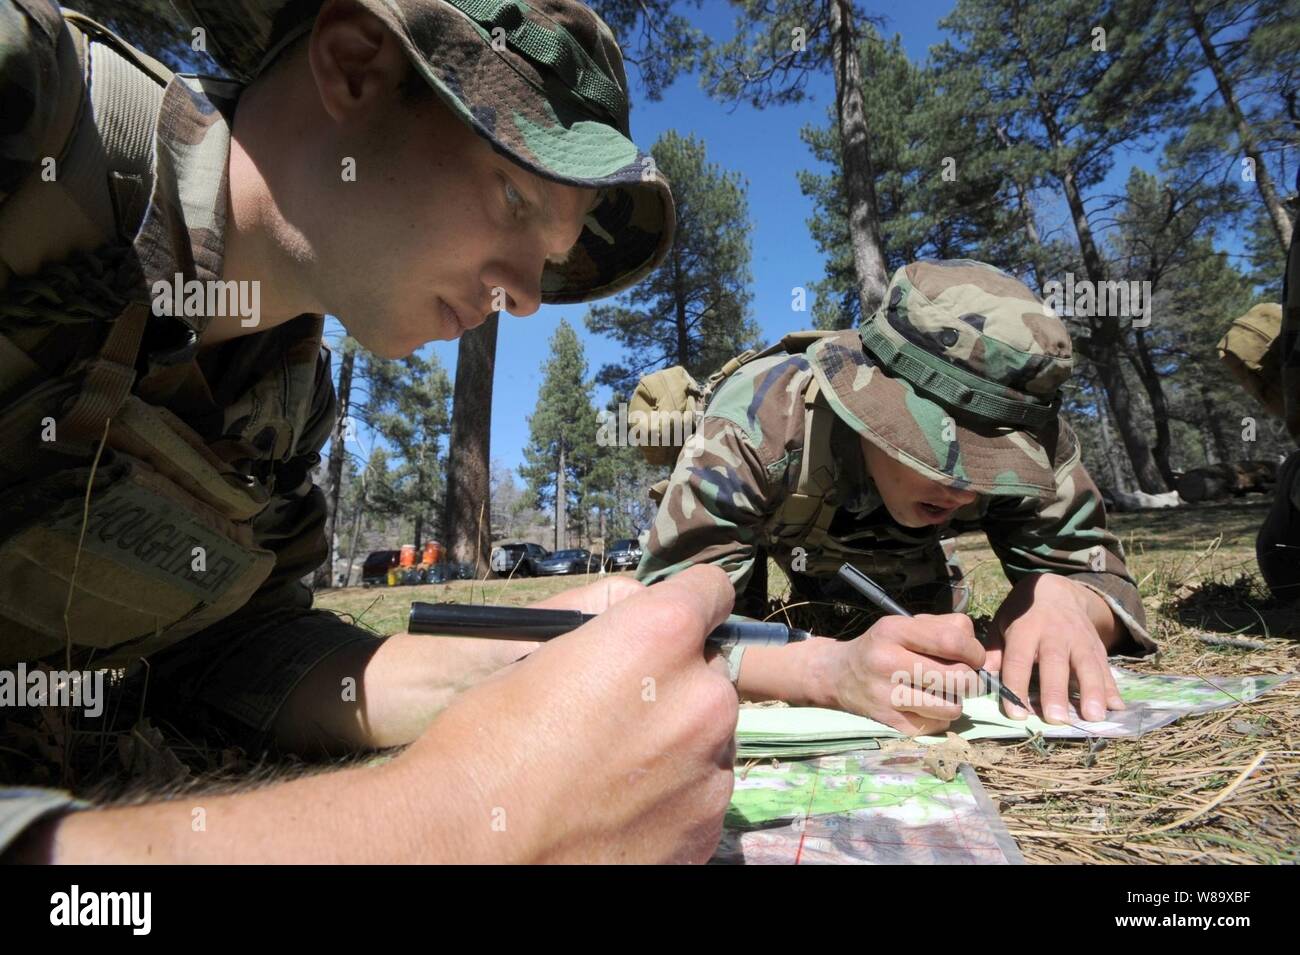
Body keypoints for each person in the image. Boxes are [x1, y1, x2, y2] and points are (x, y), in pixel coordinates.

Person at [0, 0, 737, 863]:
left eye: (547, 256)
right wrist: (458, 819)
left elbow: (238, 653)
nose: (528, 297)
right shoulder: (33, 111)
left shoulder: (286, 401)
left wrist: (529, 666)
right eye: (513, 195)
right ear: (354, 66)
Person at [638, 259, 1156, 736]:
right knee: (740, 620)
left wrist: (1066, 600)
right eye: (939, 451)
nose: (966, 487)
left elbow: (1104, 580)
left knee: (916, 626)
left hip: (897, 557)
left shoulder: (1032, 427)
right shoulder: (760, 418)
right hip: (770, 523)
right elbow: (666, 631)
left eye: (994, 466)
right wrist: (824, 672)